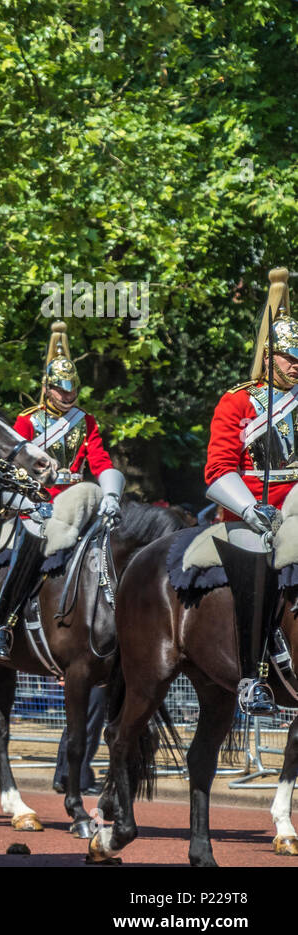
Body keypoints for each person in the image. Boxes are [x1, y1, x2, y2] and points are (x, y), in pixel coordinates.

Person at [0, 321, 126, 663]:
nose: (67, 395)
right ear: (46, 388)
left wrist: (111, 494)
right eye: (60, 389)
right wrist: (28, 502)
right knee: (26, 551)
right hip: (38, 508)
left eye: (71, 389)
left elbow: (99, 460)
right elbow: (16, 470)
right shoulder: (26, 421)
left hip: (79, 506)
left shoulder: (86, 422)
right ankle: (4, 623)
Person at [204, 267, 297, 715]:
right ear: (268, 356)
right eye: (289, 357)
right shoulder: (238, 402)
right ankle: (251, 677)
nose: (296, 364)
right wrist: (250, 508)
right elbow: (218, 470)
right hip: (253, 514)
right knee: (257, 565)